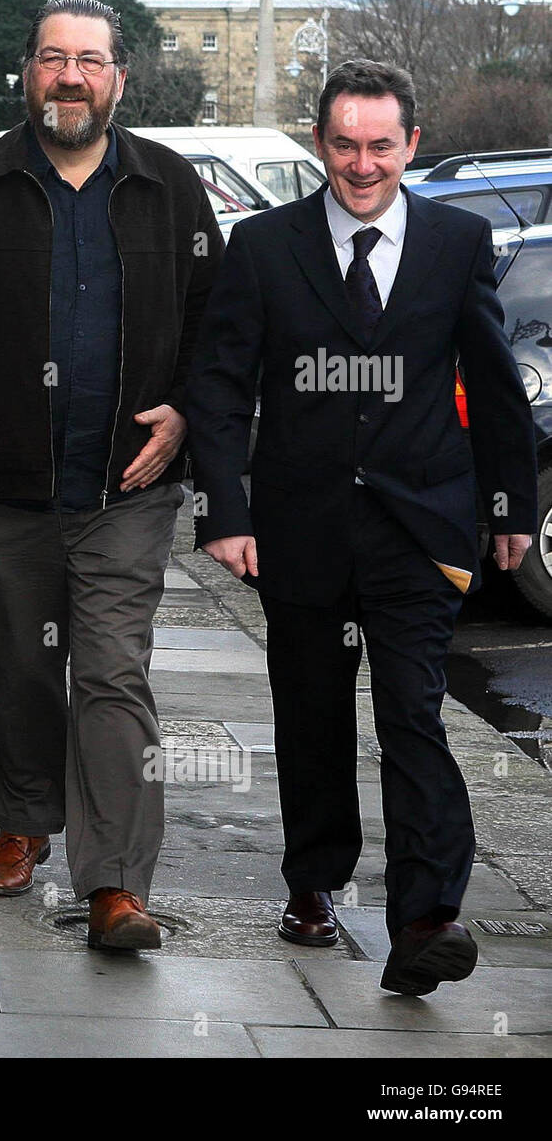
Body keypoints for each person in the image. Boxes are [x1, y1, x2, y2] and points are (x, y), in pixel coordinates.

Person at [187, 59, 536, 995]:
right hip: (298, 528)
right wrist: (225, 507)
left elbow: (497, 385)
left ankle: (427, 916)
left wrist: (513, 508)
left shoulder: (458, 242)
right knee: (311, 717)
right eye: (345, 144)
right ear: (319, 142)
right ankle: (315, 881)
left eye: (382, 145)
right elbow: (220, 387)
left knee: (413, 711)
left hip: (421, 526)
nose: (363, 163)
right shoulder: (262, 246)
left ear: (411, 144)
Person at [0, 0, 223, 952]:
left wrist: (192, 411)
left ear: (120, 76)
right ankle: (25, 815)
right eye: (51, 59)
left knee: (114, 674)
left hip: (128, 486)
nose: (69, 76)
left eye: (89, 59)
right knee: (17, 666)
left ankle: (116, 881)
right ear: (28, 74)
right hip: (5, 489)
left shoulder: (170, 187)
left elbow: (219, 324)